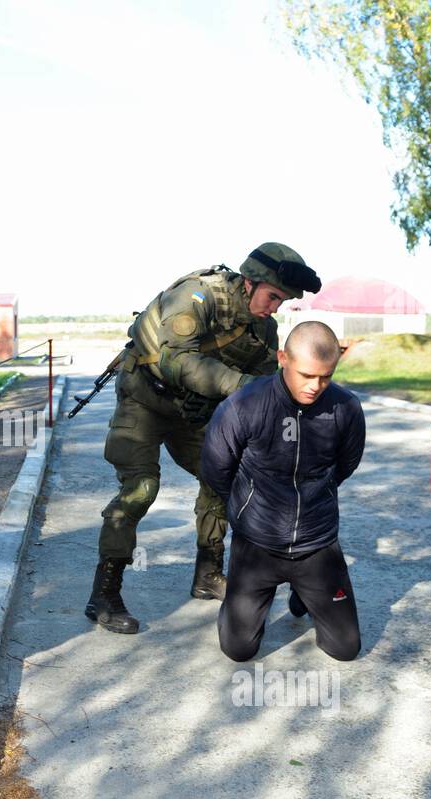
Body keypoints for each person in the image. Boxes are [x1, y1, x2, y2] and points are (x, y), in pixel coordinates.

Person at [85, 243, 322, 634]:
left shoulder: (263, 329)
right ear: (250, 283)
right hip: (143, 402)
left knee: (222, 476)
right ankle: (104, 593)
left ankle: (208, 573)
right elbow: (174, 359)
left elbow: (262, 389)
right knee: (141, 489)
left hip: (190, 413)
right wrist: (240, 385)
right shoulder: (197, 297)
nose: (275, 307)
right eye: (273, 296)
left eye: (283, 301)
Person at [200, 320, 366, 662]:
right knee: (238, 650)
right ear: (282, 358)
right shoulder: (243, 405)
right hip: (257, 545)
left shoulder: (345, 408)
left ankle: (304, 592)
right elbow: (217, 469)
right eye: (306, 375)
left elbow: (346, 465)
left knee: (345, 649)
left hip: (316, 544)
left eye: (326, 376)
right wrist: (250, 507)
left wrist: (314, 498)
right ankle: (243, 605)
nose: (315, 386)